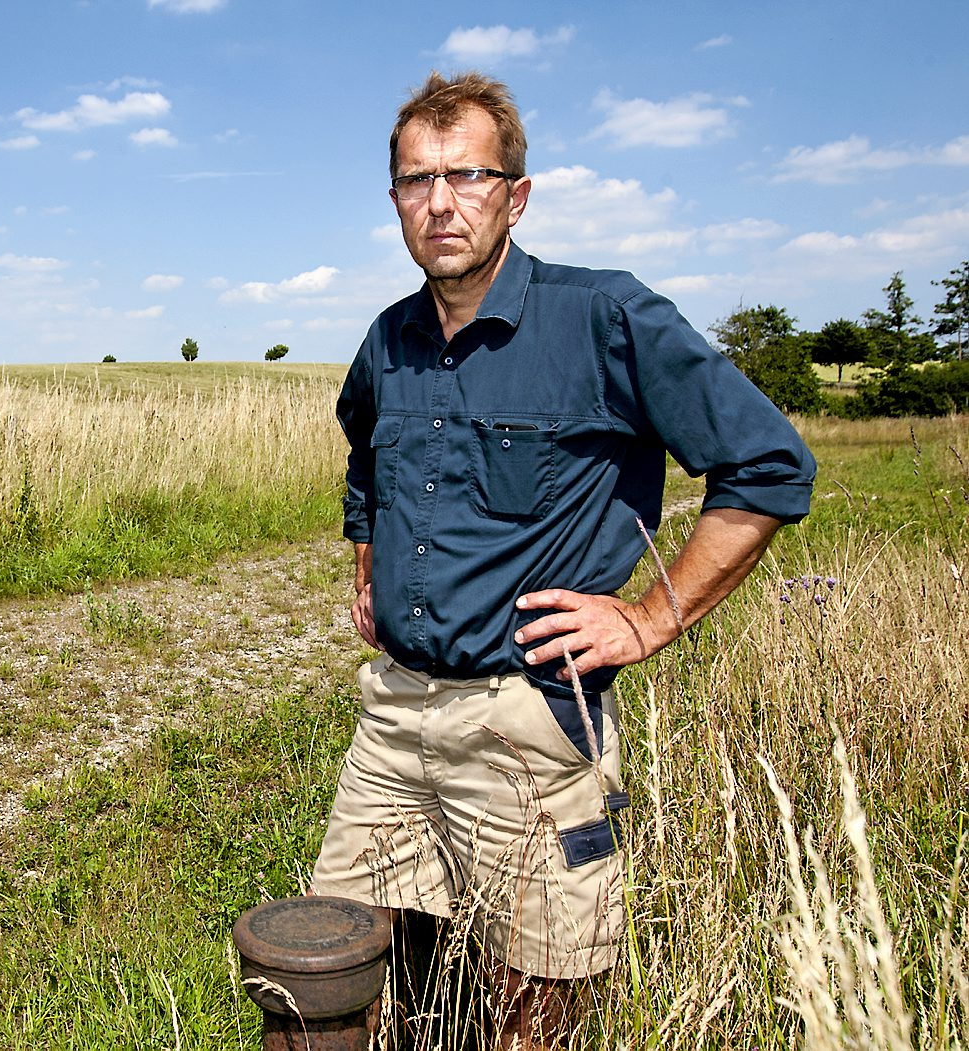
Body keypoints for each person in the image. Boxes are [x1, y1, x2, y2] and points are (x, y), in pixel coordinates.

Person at [310, 71, 816, 1049]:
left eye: (467, 175)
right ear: (395, 203)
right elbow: (362, 445)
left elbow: (765, 465)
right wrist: (365, 556)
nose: (441, 201)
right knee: (346, 969)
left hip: (532, 721)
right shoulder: (390, 338)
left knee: (530, 1001)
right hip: (394, 713)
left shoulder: (605, 319)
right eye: (417, 180)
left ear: (517, 194)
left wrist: (652, 616)